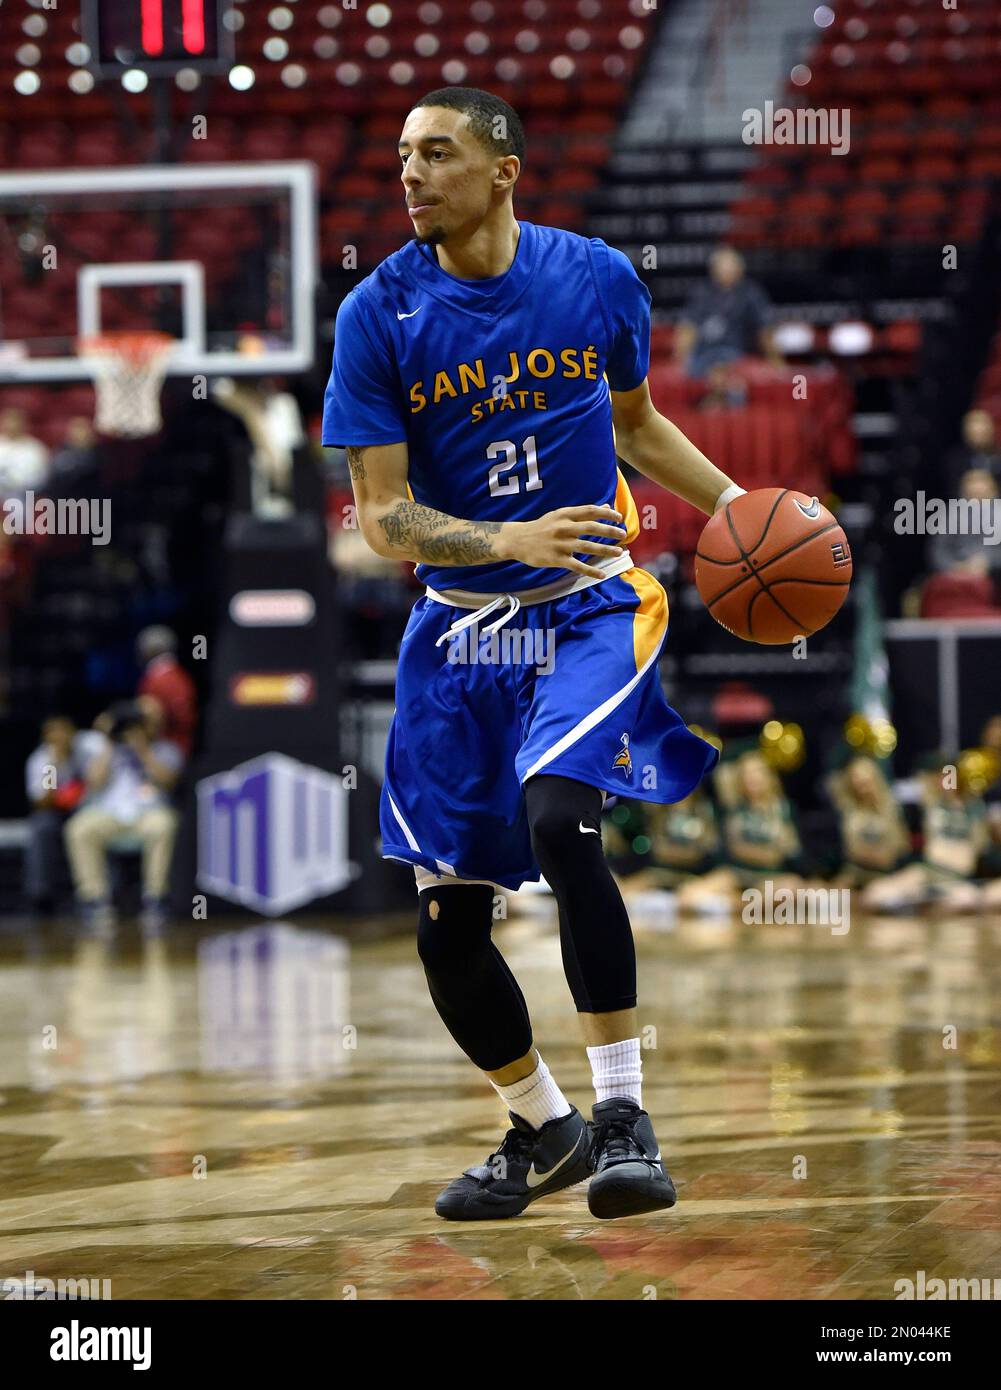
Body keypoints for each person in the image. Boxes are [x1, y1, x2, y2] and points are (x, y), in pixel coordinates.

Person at [322, 86, 749, 1223]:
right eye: (403, 153)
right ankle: (542, 1124)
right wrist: (500, 537)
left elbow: (635, 424)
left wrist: (739, 508)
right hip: (459, 627)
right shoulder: (378, 312)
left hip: (587, 603)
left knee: (563, 820)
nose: (410, 173)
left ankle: (622, 1115)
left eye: (438, 153)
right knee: (444, 919)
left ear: (503, 169)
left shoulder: (596, 277)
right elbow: (380, 516)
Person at [64, 695, 184, 934]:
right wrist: (108, 742)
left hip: (147, 813)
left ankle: (155, 898)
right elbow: (93, 781)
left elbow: (168, 781)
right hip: (108, 814)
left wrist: (142, 749)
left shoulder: (167, 748)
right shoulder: (100, 748)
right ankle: (94, 900)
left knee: (164, 824)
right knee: (79, 828)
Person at [674, 246, 777, 380]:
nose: (726, 272)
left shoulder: (751, 294)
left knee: (729, 375)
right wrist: (681, 361)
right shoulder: (701, 293)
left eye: (730, 267)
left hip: (737, 355)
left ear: (740, 270)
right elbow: (687, 329)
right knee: (707, 372)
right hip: (703, 356)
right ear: (713, 270)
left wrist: (776, 362)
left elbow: (765, 331)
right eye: (722, 268)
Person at [23, 715, 90, 915]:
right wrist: (54, 765)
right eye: (53, 732)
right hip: (54, 811)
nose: (60, 736)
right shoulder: (40, 759)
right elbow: (42, 802)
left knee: (89, 824)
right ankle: (40, 895)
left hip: (85, 808)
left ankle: (97, 895)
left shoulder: (86, 750)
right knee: (42, 827)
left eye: (64, 730)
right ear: (46, 737)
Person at [136, 626, 197, 757]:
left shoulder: (161, 678)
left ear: (150, 650)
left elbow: (184, 718)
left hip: (170, 745)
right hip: (171, 744)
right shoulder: (178, 675)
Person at [947, 408, 1001, 492]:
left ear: (991, 429)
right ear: (965, 432)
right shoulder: (954, 460)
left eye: (982, 430)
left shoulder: (998, 455)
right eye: (974, 430)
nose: (978, 432)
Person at [0, 408, 49, 497]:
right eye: (8, 422)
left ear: (24, 424)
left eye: (15, 422)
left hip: (23, 495)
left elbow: (41, 478)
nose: (12, 426)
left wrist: (15, 483)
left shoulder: (35, 448)